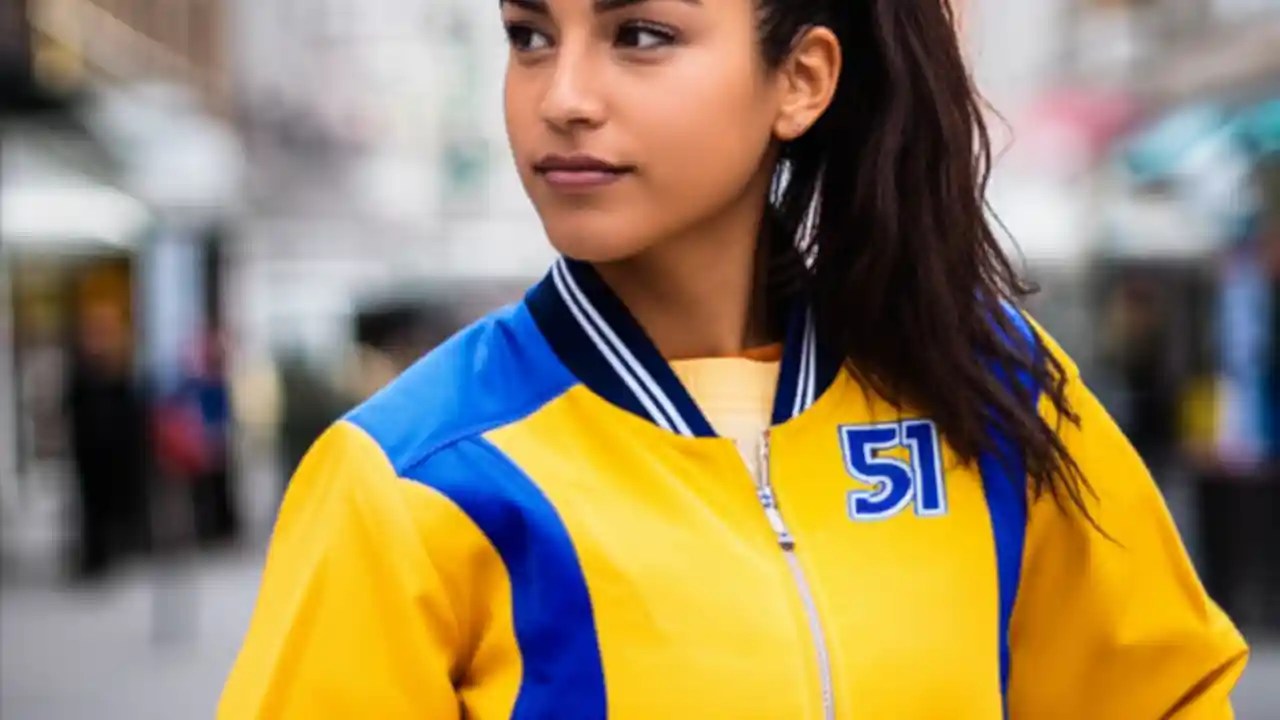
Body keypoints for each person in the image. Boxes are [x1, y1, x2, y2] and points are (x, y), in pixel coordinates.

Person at [220, 0, 1248, 716]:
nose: (561, 95)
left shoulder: (984, 384)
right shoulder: (413, 478)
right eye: (528, 36)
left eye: (641, 35)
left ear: (798, 80)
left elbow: (1162, 696)